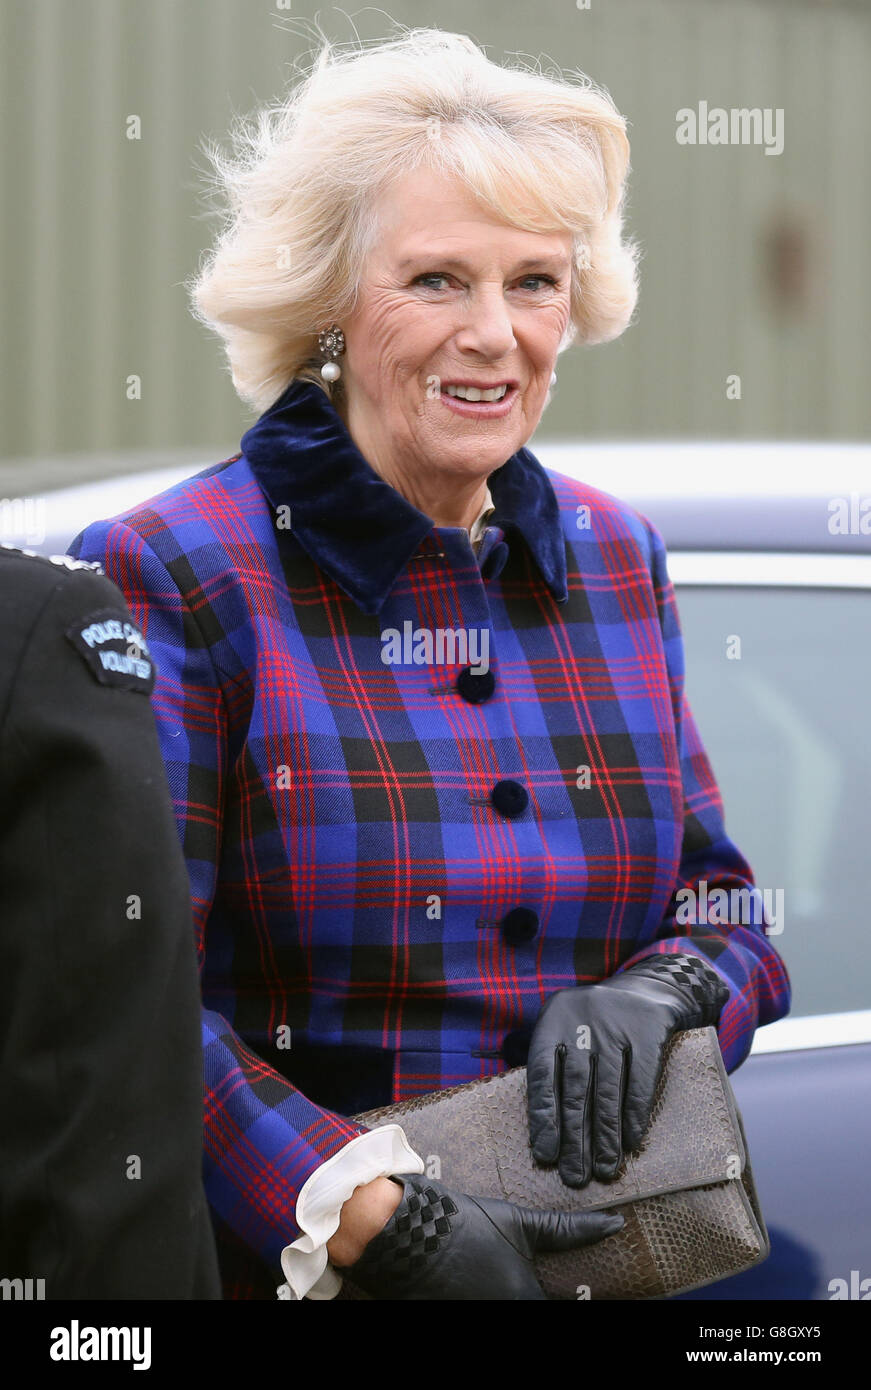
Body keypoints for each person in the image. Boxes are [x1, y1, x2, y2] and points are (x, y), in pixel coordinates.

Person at [68, 28, 790, 1301]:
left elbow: (726, 910)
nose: (495, 336)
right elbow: (116, 992)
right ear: (331, 303)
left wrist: (663, 991)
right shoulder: (180, 573)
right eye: (437, 281)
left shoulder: (617, 560)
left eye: (534, 283)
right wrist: (373, 1216)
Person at [0, 543, 220, 1299]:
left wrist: (617, 991)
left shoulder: (608, 554)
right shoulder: (55, 611)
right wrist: (354, 1198)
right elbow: (113, 1106)